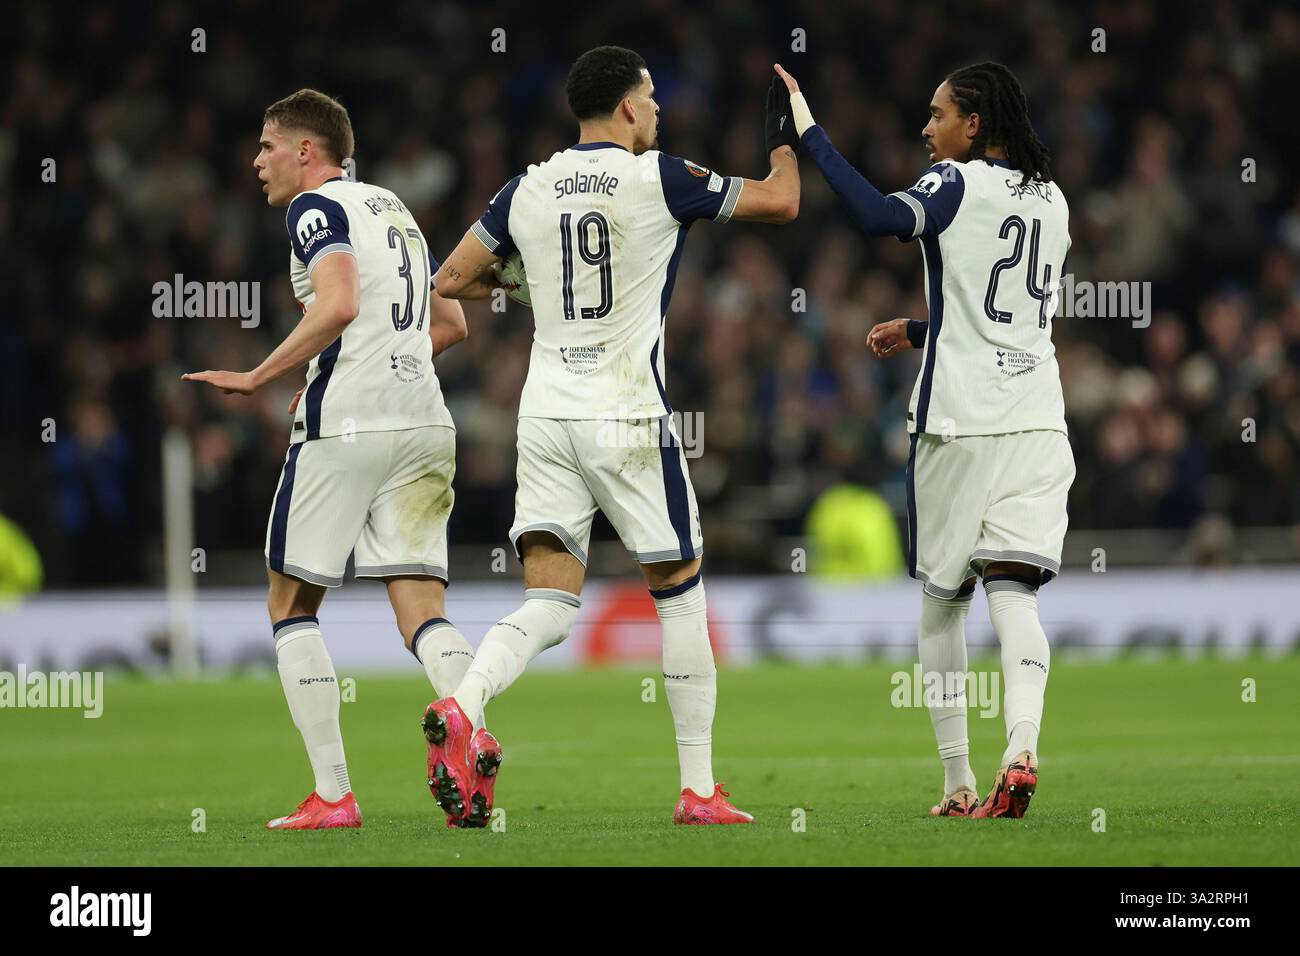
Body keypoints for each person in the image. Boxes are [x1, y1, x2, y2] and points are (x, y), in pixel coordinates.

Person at [431, 46, 802, 826]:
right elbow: (782, 202)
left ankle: (464, 704)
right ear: (629, 108)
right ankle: (698, 788)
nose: (660, 109)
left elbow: (451, 280)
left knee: (550, 601)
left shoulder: (525, 185)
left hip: (545, 412)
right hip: (627, 410)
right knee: (678, 588)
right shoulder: (658, 175)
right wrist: (785, 135)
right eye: (653, 97)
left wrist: (529, 280)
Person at [775, 61, 1073, 818]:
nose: (925, 128)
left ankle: (957, 782)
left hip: (959, 424)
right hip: (1038, 418)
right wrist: (917, 329)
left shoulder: (957, 184)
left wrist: (810, 134)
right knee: (1015, 594)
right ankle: (1024, 746)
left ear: (975, 125)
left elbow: (878, 217)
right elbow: (1006, 316)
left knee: (943, 607)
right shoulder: (1055, 201)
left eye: (937, 115)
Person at [183, 89, 488, 829]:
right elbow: (450, 320)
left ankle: (333, 795)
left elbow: (341, 303)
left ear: (307, 152)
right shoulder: (394, 208)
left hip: (348, 427)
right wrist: (373, 363)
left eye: (266, 145)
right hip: (425, 423)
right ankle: (468, 732)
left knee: (291, 604)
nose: (257, 161)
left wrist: (263, 376)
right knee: (422, 609)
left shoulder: (312, 210)